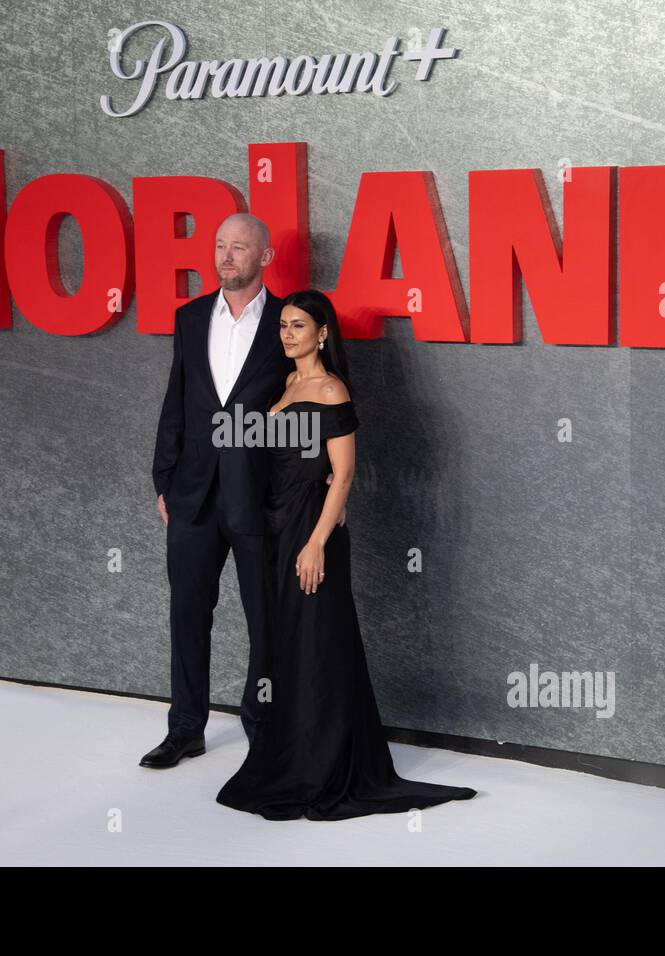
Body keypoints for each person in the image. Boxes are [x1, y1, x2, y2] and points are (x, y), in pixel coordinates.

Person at [215, 289, 477, 820]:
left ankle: (324, 762)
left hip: (312, 531)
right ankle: (292, 752)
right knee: (288, 643)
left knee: (318, 643)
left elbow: (345, 475)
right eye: (283, 325)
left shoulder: (331, 391)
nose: (288, 334)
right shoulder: (286, 384)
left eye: (298, 326)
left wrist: (316, 542)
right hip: (276, 526)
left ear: (322, 333)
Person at [140, 212, 293, 768]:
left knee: (266, 616)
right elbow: (176, 401)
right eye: (221, 246)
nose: (227, 257)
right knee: (187, 611)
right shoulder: (188, 317)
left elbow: (309, 407)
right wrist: (164, 478)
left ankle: (265, 725)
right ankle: (185, 727)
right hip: (194, 495)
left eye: (240, 248)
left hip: (260, 497)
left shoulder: (287, 322)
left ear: (265, 257)